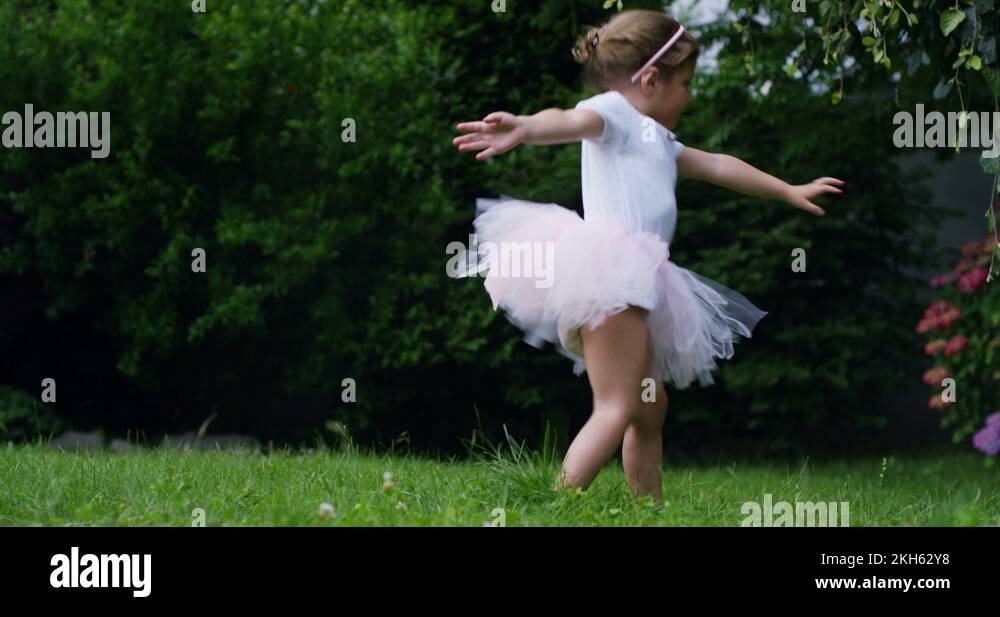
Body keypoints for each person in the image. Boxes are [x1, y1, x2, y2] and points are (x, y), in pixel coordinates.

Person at [452, 9, 845, 502]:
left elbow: (720, 165)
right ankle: (558, 501)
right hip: (609, 274)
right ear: (652, 78)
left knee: (649, 407)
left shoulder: (657, 139)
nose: (690, 95)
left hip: (638, 280)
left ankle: (648, 507)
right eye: (686, 82)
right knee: (616, 406)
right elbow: (572, 120)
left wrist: (788, 190)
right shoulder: (614, 114)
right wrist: (526, 127)